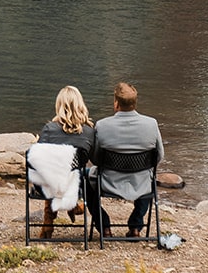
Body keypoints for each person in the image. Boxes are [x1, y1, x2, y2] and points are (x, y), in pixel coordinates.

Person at [87, 80, 165, 238]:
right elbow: (159, 156)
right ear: (135, 103)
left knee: (85, 178)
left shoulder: (102, 125)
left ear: (116, 103)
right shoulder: (151, 124)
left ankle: (104, 227)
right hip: (141, 183)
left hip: (109, 183)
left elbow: (95, 158)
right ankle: (136, 226)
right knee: (149, 176)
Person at [28, 85, 95, 239]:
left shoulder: (49, 129)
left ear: (59, 105)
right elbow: (96, 160)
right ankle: (72, 206)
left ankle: (49, 222)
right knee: (83, 174)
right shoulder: (89, 132)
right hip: (75, 186)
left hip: (47, 186)